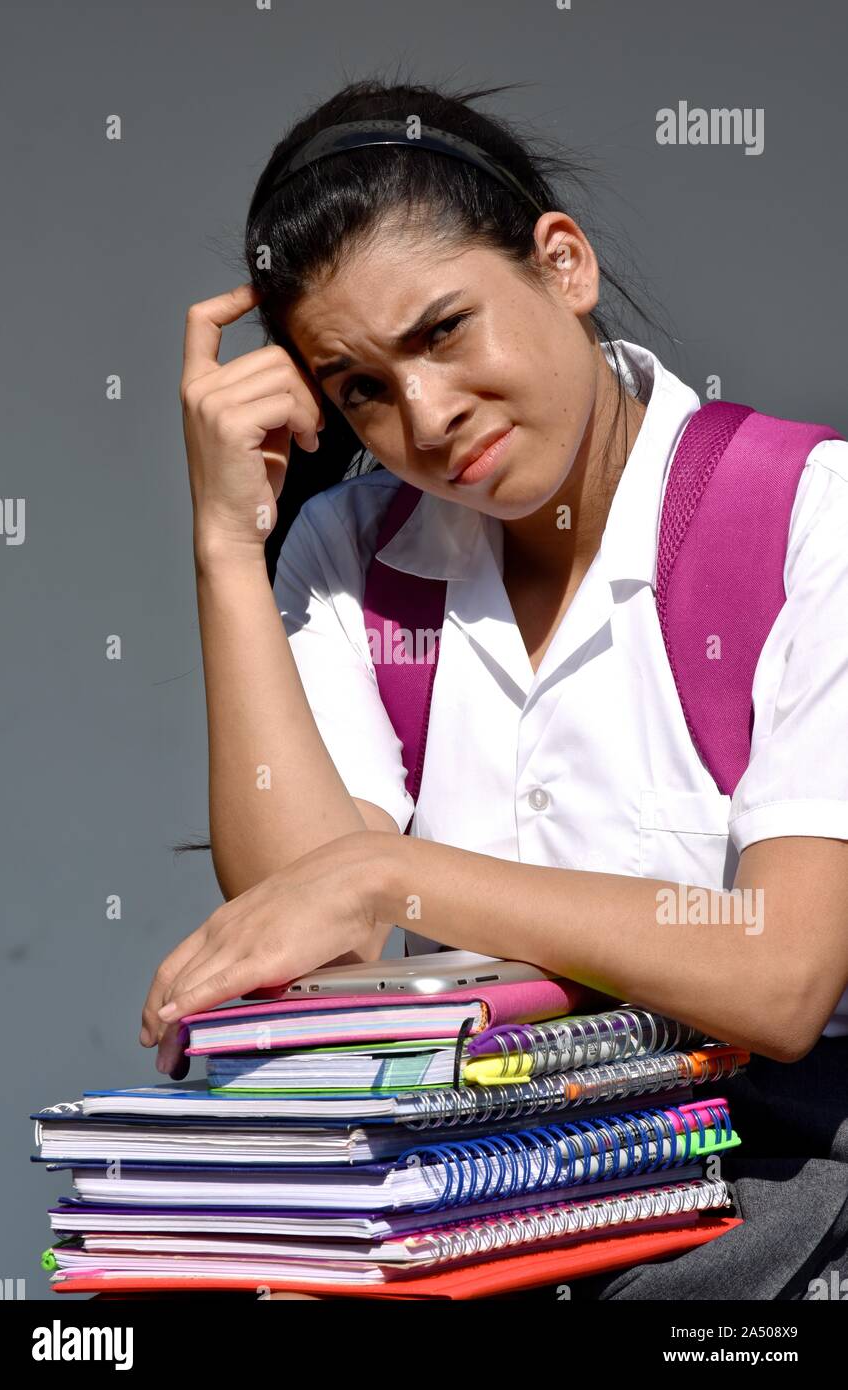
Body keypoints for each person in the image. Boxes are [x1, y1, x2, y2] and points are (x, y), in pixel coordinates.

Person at [140, 77, 848, 1299]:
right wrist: (222, 542)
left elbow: (777, 975)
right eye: (358, 386)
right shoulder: (351, 555)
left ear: (561, 265)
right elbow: (316, 941)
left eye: (442, 330)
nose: (422, 413)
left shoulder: (804, 517)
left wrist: (393, 868)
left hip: (769, 1204)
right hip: (482, 1198)